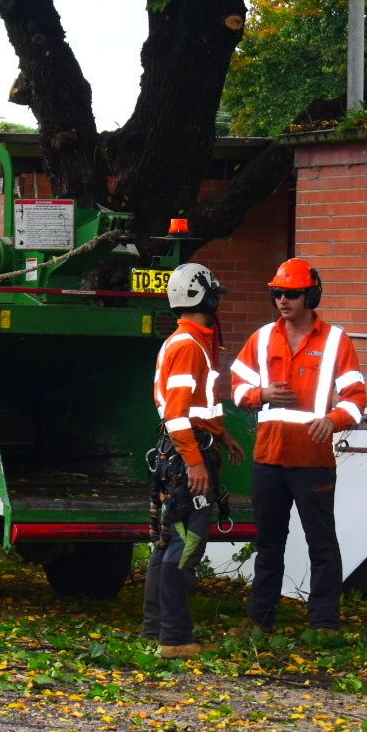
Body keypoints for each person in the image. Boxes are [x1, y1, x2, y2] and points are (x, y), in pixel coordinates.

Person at [228, 258, 367, 632]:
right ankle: (260, 620)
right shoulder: (261, 338)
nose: (283, 301)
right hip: (269, 460)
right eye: (277, 294)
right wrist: (262, 394)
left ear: (311, 295)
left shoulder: (337, 341)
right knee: (269, 544)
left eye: (291, 294)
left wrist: (332, 420)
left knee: (321, 545)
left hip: (312, 462)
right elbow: (238, 388)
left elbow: (356, 398)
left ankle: (324, 623)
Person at [143, 262, 244, 658]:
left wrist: (223, 434)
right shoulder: (188, 347)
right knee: (185, 546)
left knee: (168, 541)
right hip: (188, 455)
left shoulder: (193, 341)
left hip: (187, 450)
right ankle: (176, 639)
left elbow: (200, 406)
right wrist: (195, 462)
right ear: (207, 296)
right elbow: (178, 413)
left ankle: (156, 630)